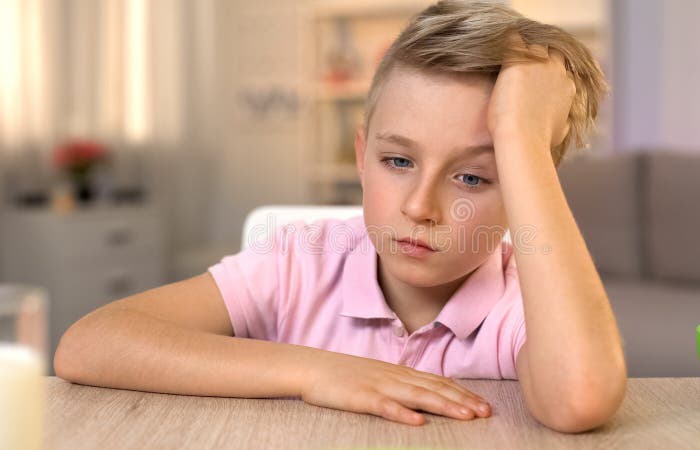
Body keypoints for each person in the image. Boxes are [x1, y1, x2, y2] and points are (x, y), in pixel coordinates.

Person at [54, 0, 626, 433]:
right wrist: (316, 371)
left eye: (473, 176)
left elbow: (580, 397)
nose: (418, 207)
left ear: (529, 186)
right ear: (361, 154)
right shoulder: (297, 263)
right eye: (398, 160)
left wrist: (521, 138)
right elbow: (89, 343)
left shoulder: (525, 297)